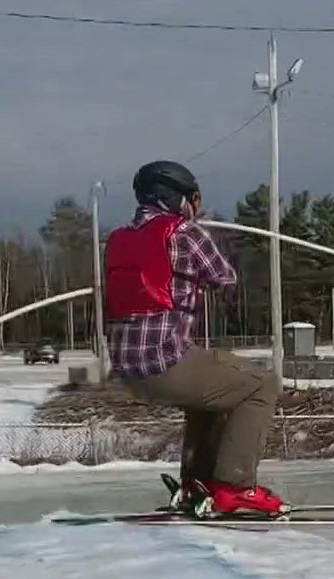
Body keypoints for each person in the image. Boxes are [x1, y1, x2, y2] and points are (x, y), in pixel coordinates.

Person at [103, 160, 285, 516]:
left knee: (216, 394)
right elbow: (225, 277)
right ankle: (235, 486)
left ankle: (196, 484)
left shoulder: (118, 239)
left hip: (127, 370)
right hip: (165, 363)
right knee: (261, 384)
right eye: (191, 200)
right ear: (177, 199)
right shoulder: (183, 232)